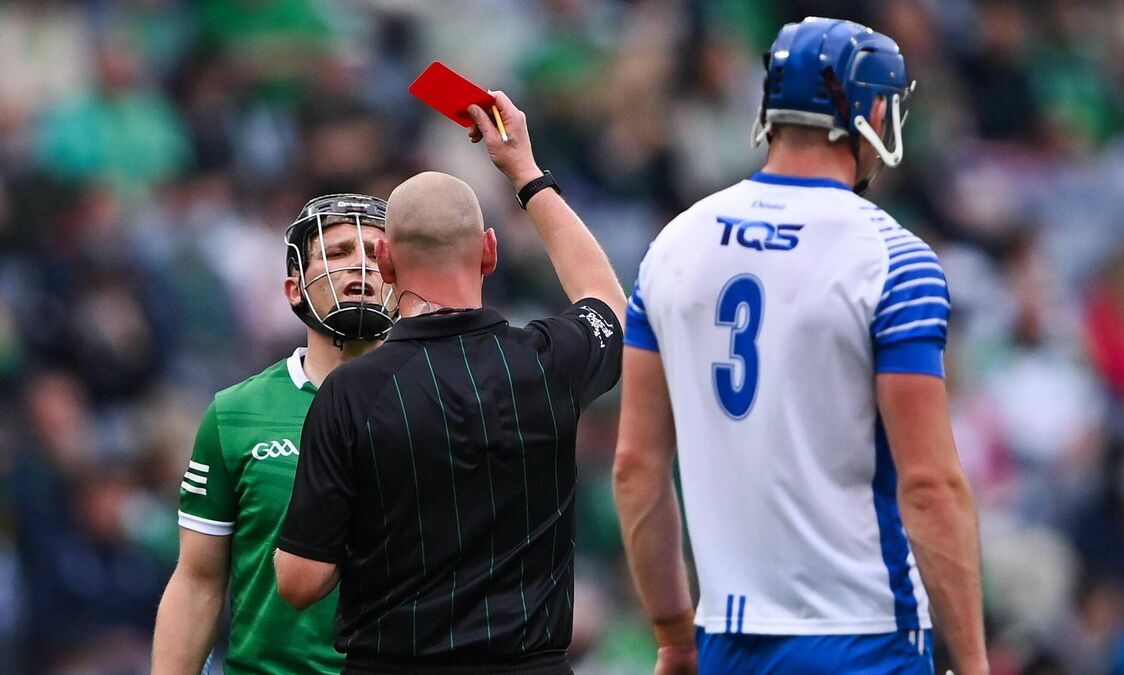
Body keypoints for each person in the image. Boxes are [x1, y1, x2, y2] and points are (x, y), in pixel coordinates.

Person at [613, 17, 988, 675]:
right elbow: (929, 485)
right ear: (873, 111)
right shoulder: (893, 259)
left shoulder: (671, 245)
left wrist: (674, 636)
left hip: (728, 638)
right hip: (865, 635)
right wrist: (977, 662)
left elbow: (636, 467)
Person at [273, 92, 625, 675]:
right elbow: (607, 301)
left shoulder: (350, 394)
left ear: (384, 262)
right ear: (489, 252)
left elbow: (300, 581)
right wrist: (525, 172)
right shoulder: (546, 362)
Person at [151, 193, 398, 674]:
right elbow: (198, 579)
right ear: (293, 289)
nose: (360, 267)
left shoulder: (439, 402)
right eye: (339, 252)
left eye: (375, 252)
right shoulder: (236, 413)